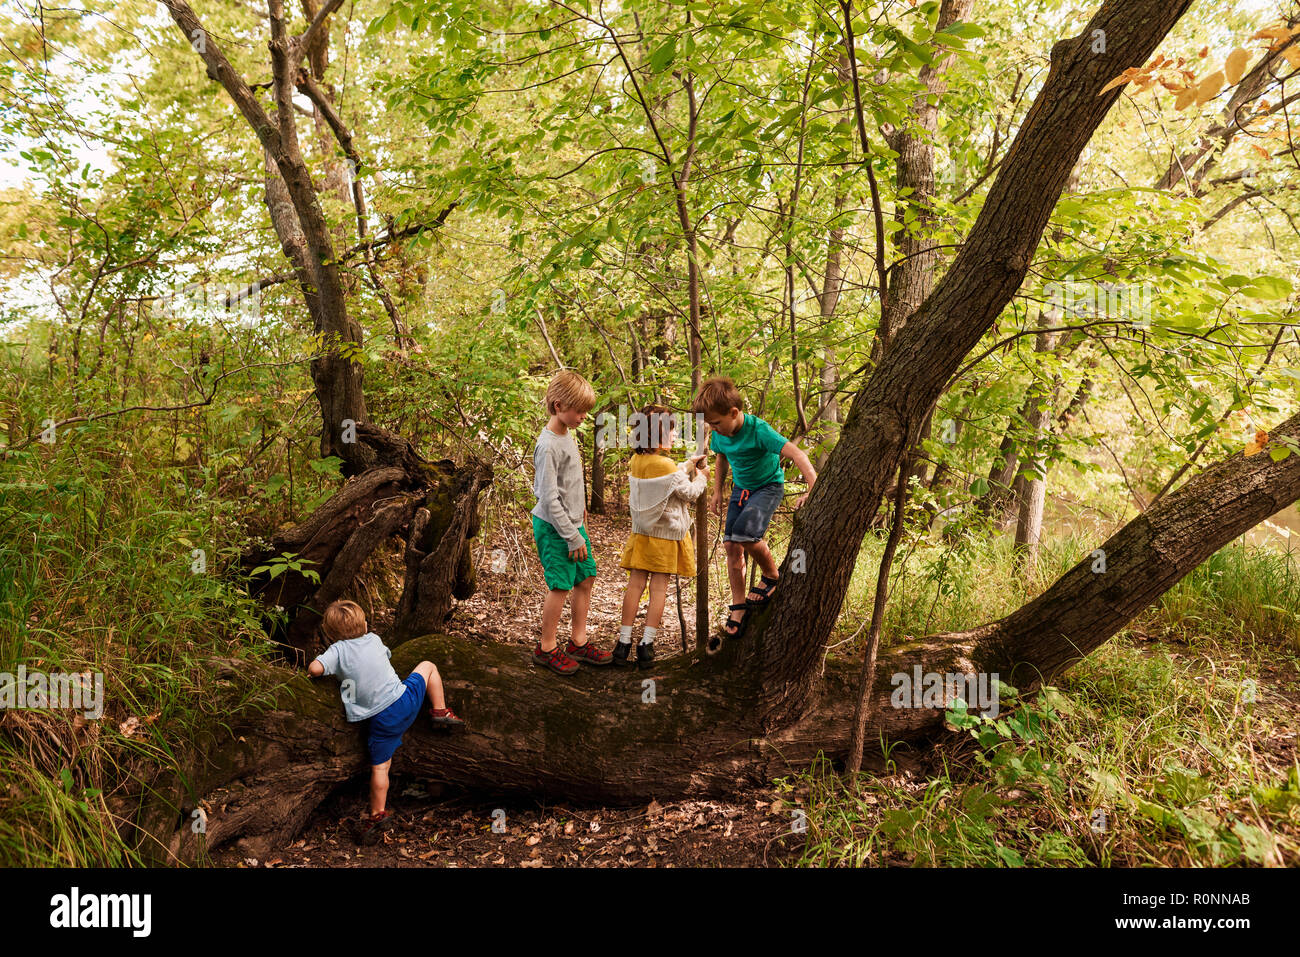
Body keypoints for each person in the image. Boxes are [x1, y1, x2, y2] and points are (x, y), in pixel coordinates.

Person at [307, 599, 463, 845]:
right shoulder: (374, 640)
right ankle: (440, 711)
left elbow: (315, 669)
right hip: (405, 702)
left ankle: (377, 813)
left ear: (330, 633)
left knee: (380, 769)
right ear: (366, 624)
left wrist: (321, 667)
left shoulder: (336, 651)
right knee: (428, 666)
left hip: (381, 721)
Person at [692, 377, 817, 640]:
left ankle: (772, 576)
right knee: (730, 545)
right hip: (741, 490)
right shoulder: (720, 434)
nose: (712, 428)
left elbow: (798, 455)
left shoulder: (760, 431)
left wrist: (812, 489)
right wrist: (717, 491)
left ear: (734, 413)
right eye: (709, 424)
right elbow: (722, 457)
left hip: (768, 487)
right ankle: (738, 605)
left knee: (747, 535)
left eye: (715, 422)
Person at [531, 370, 613, 674]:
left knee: (585, 578)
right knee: (560, 584)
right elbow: (549, 498)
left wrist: (581, 519)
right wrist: (571, 535)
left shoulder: (568, 436)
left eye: (585, 411)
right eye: (578, 411)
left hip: (573, 525)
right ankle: (546, 646)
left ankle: (578, 642)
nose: (583, 417)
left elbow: (570, 487)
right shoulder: (548, 445)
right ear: (557, 405)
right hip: (555, 528)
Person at [616, 404, 709, 668]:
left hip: (642, 535)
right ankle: (646, 645)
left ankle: (622, 644)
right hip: (666, 538)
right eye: (670, 431)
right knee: (658, 590)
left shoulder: (639, 461)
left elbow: (668, 477)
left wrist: (688, 464)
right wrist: (701, 477)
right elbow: (688, 492)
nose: (675, 435)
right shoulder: (665, 466)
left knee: (635, 586)